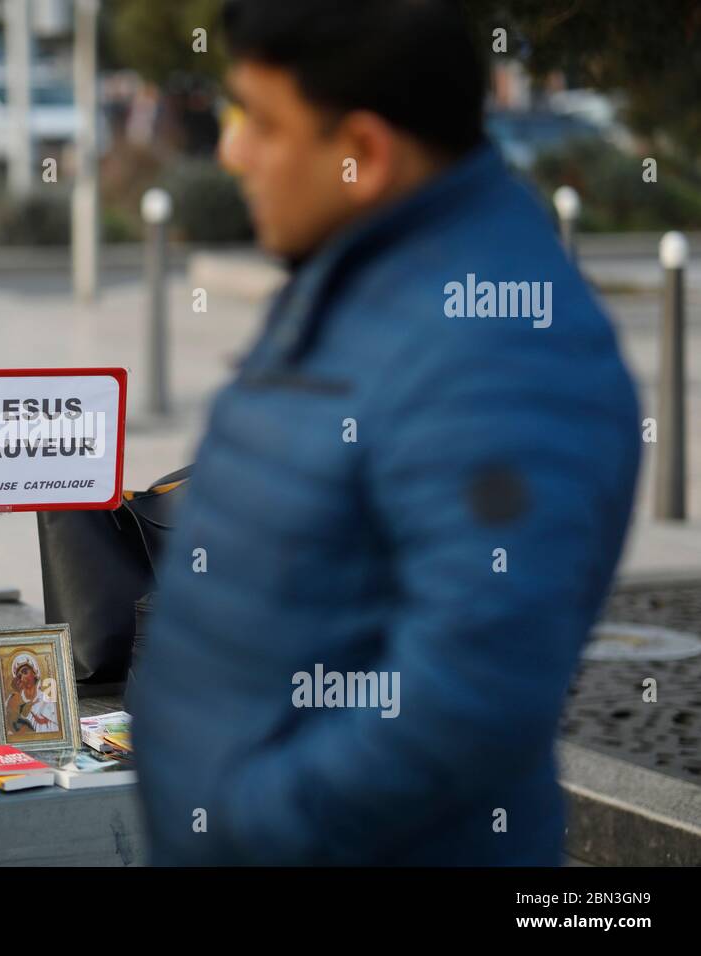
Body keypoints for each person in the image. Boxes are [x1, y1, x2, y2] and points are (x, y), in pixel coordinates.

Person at [131, 0, 641, 865]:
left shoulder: (501, 346)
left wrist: (252, 824)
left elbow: (471, 691)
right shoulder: (362, 266)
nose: (231, 150)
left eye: (261, 121)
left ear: (362, 154)